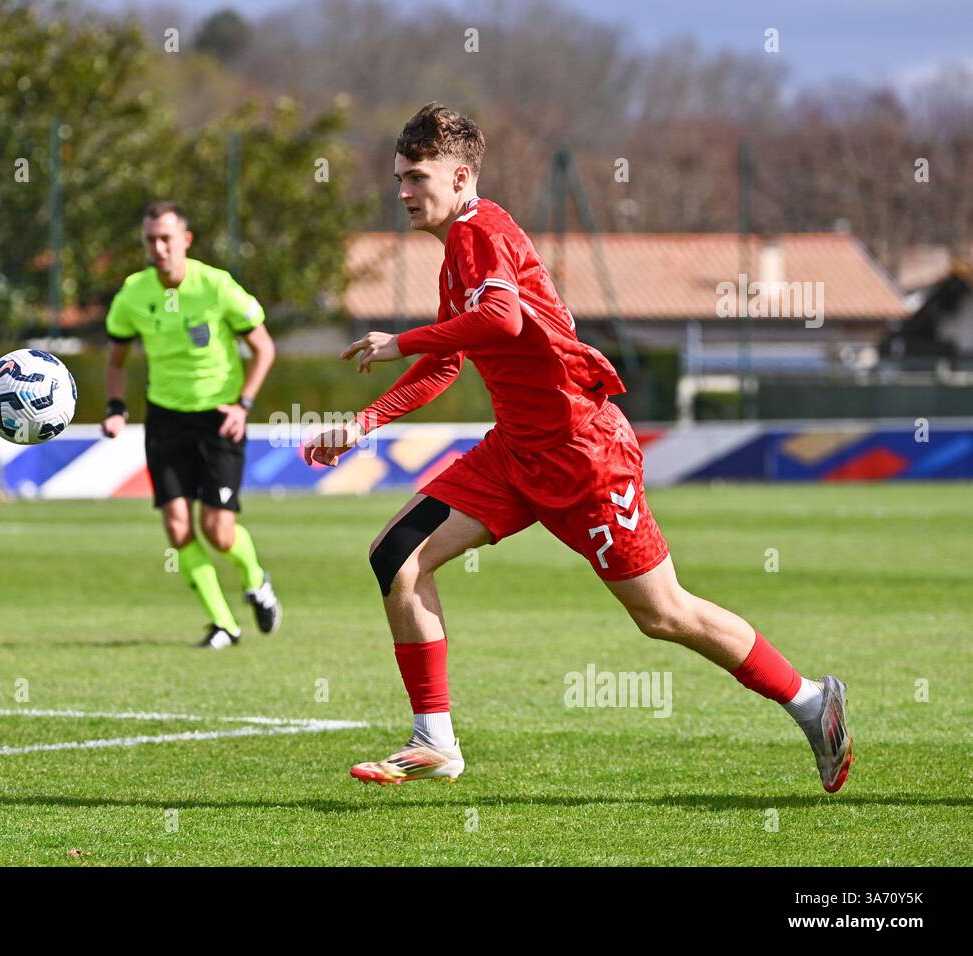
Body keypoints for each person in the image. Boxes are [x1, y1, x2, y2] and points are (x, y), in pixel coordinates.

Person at [305, 104, 852, 791]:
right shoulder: (458, 254)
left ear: (461, 175)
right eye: (399, 178)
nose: (404, 191)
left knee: (663, 614)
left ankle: (810, 700)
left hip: (582, 454)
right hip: (516, 453)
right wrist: (363, 425)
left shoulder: (480, 232)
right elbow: (455, 357)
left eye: (417, 176)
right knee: (398, 555)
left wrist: (399, 341)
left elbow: (500, 322)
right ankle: (434, 739)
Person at [101, 200, 281, 649]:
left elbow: (264, 348)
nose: (158, 247)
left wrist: (243, 404)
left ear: (186, 240)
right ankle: (223, 624)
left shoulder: (216, 287)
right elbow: (116, 359)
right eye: (150, 240)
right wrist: (116, 406)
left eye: (166, 238)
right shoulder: (133, 294)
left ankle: (256, 581)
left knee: (219, 532)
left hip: (219, 418)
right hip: (164, 419)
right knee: (178, 528)